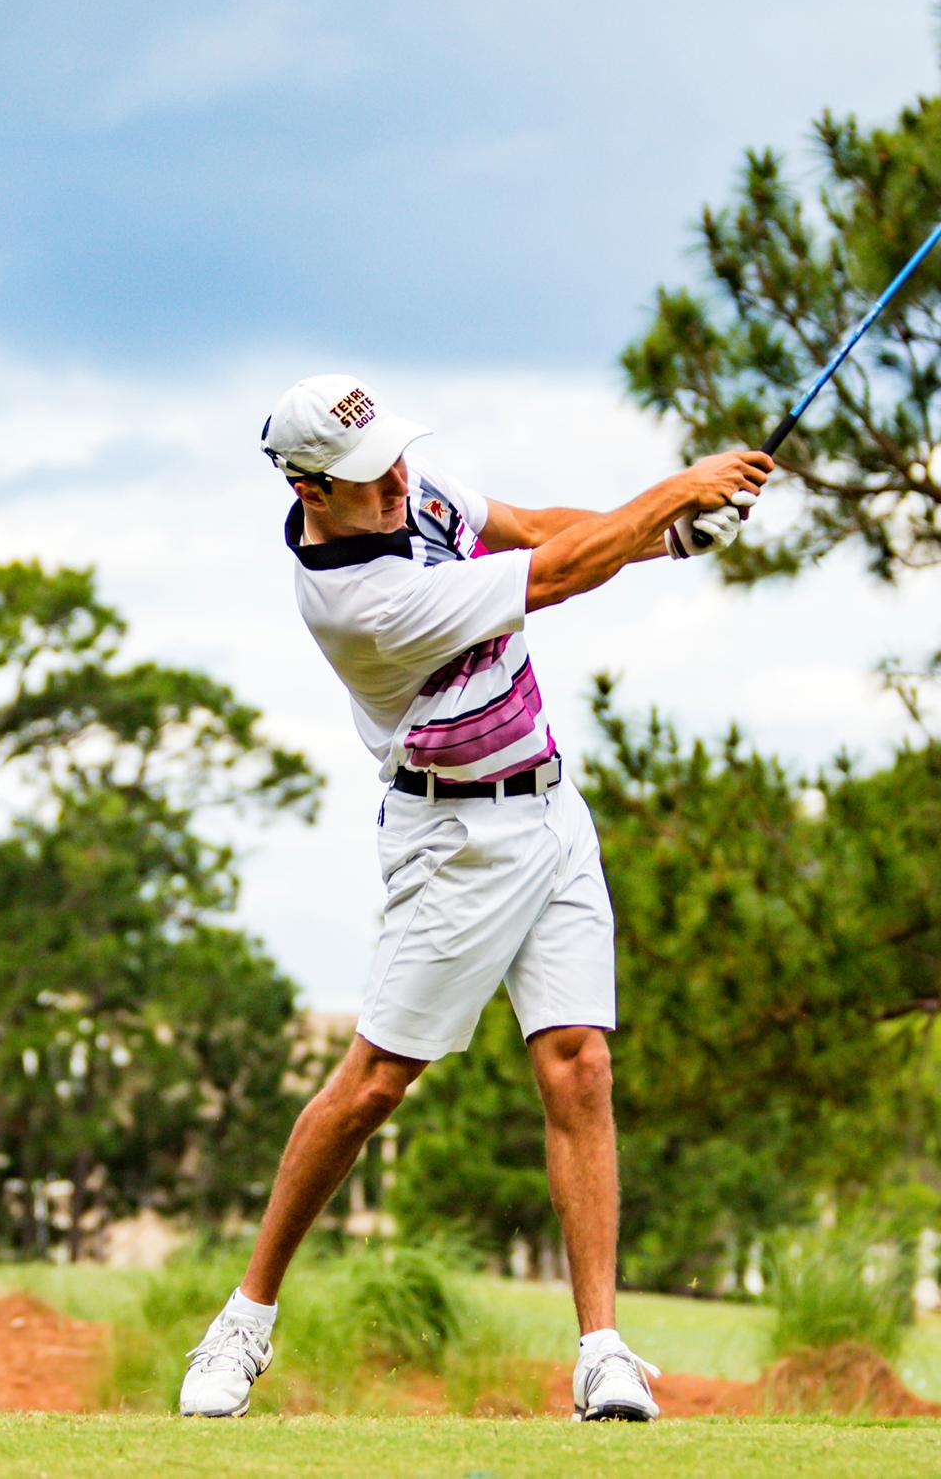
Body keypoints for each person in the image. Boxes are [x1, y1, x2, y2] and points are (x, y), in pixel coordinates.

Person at [179, 373, 771, 1421]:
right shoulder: (359, 600)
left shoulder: (406, 488)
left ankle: (601, 1353)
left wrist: (668, 538)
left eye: (396, 456)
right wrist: (676, 489)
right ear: (314, 491)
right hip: (452, 838)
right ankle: (244, 1320)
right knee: (371, 1087)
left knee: (577, 1065)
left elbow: (539, 527)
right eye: (370, 476)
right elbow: (552, 573)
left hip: (548, 808)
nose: (399, 479)